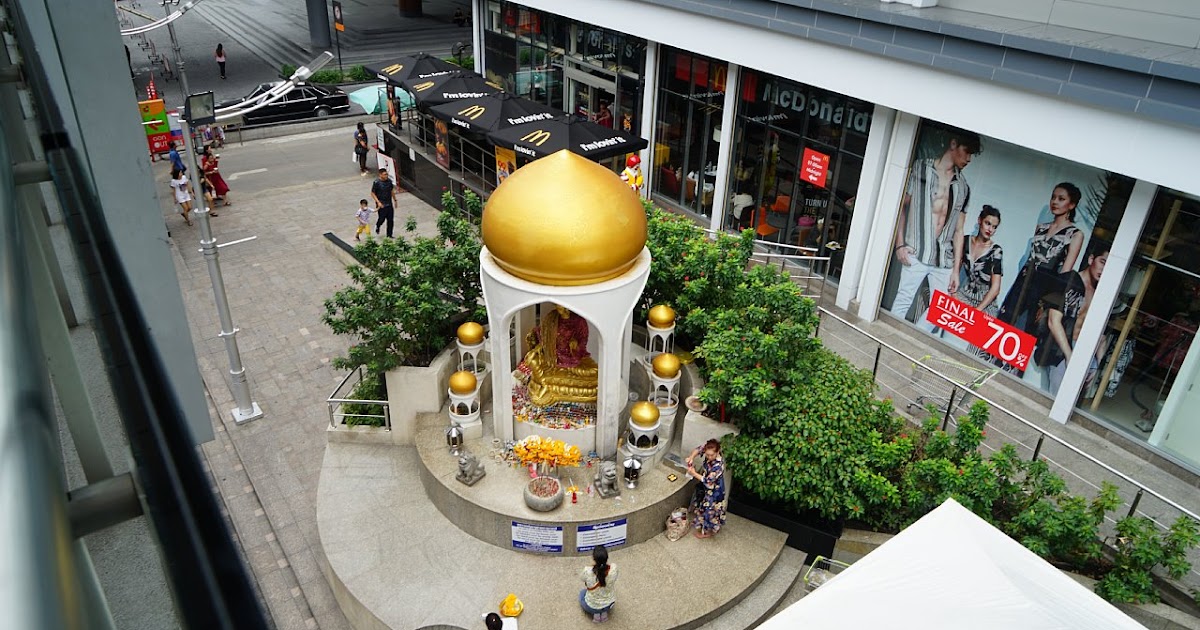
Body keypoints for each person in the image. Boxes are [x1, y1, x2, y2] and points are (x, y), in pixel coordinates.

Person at [891, 128, 981, 332]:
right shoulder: (920, 168)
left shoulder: (963, 187)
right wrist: (900, 244)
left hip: (943, 257)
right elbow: (901, 207)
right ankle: (886, 343)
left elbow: (959, 231)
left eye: (972, 154)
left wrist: (956, 270)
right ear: (953, 144)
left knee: (941, 310)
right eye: (967, 151)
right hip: (916, 250)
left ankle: (912, 340)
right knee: (903, 301)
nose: (969, 159)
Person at [998, 182, 1084, 337]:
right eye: (1053, 197)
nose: (1055, 202)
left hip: (1045, 285)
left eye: (1061, 199)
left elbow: (1065, 273)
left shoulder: (1075, 234)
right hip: (1024, 279)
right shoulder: (1041, 227)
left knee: (1028, 330)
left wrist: (1048, 305)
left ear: (1071, 205)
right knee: (1004, 320)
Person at [1036, 241, 1109, 395]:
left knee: (1074, 400)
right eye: (1102, 262)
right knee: (1056, 398)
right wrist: (1069, 356)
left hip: (1086, 353)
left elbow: (1101, 334)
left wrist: (1097, 366)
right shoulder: (1067, 280)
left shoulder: (1102, 294)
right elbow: (1053, 321)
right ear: (1091, 259)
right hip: (1062, 350)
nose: (1104, 269)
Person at [954, 205, 1003, 359]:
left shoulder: (996, 250)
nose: (990, 229)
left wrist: (978, 310)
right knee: (946, 319)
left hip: (986, 302)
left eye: (994, 227)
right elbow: (955, 269)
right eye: (988, 223)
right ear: (979, 221)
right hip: (965, 293)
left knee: (975, 347)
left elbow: (995, 288)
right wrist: (953, 294)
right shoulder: (966, 240)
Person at [685, 439, 726, 539]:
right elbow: (699, 449)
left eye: (712, 455)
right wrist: (691, 457)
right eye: (707, 455)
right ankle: (703, 525)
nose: (709, 457)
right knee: (704, 506)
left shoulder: (718, 466)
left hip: (715, 490)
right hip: (707, 487)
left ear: (717, 452)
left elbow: (708, 481)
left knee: (710, 510)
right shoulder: (708, 449)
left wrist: (694, 473)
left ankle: (708, 532)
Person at [579, 545, 617, 623]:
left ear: (594, 558)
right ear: (607, 558)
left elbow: (582, 578)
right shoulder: (614, 569)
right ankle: (604, 614)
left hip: (592, 607)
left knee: (582, 593)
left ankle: (596, 615)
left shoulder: (587, 571)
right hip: (609, 604)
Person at [371, 168, 398, 237]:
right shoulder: (376, 183)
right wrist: (378, 202)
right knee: (382, 218)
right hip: (381, 204)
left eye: (386, 174)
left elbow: (391, 191)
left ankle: (389, 234)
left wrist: (395, 200)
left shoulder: (389, 181)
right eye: (384, 174)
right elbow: (372, 193)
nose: (386, 176)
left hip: (389, 203)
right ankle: (378, 225)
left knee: (390, 220)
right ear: (380, 175)